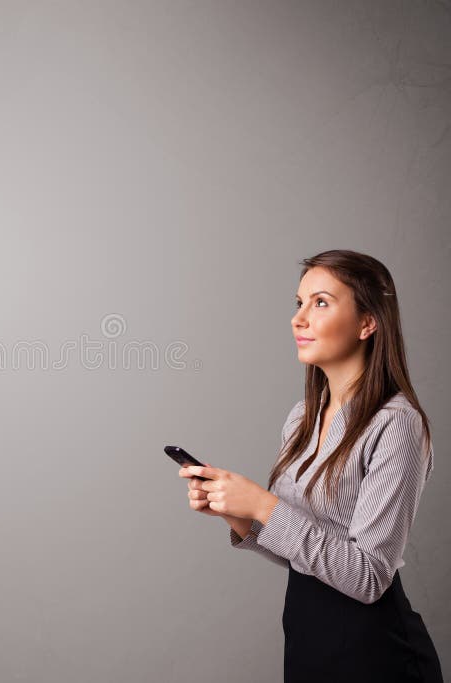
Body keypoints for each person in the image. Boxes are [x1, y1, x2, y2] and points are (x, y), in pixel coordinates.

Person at [180, 249, 443, 682]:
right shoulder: (302, 417)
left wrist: (263, 505)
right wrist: (236, 512)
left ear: (367, 322)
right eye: (298, 303)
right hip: (307, 643)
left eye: (320, 302)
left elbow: (368, 576)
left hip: (375, 656)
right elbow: (303, 552)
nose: (298, 318)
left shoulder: (397, 424)